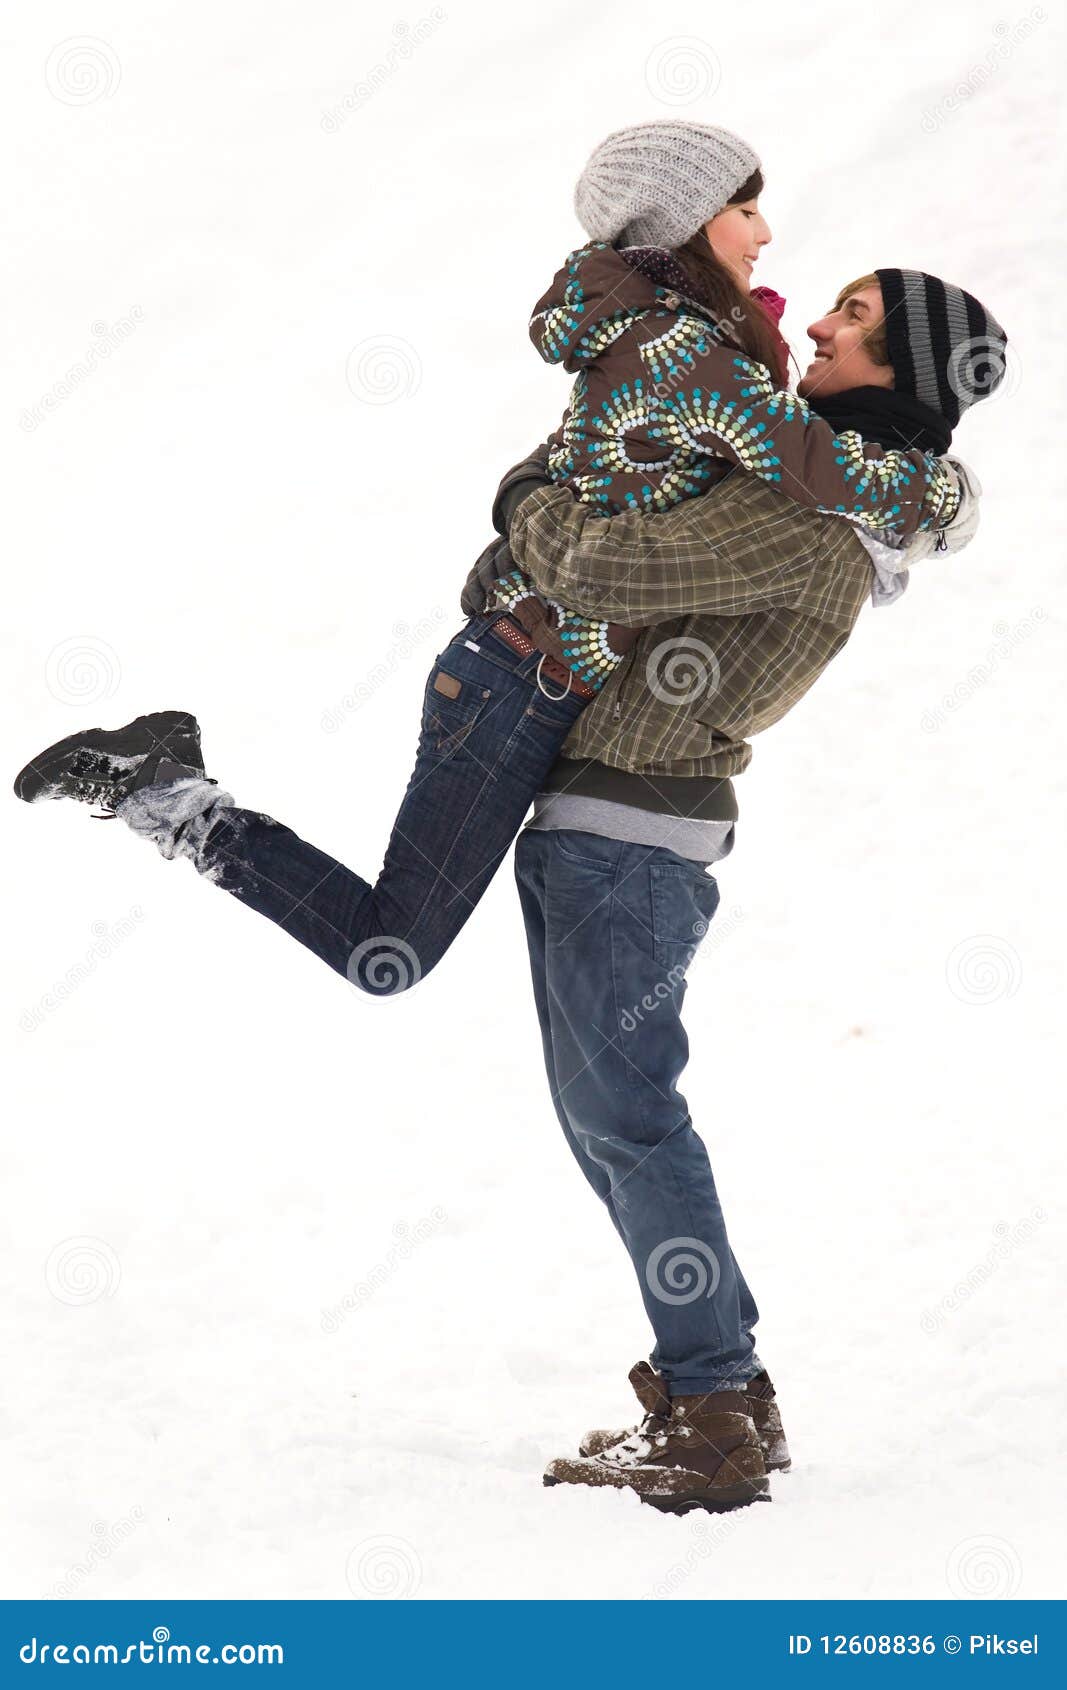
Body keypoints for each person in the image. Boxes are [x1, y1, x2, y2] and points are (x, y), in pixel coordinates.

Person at [13, 122, 969, 1009]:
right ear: (688, 221)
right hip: (521, 677)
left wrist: (523, 515)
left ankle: (163, 789)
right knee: (389, 949)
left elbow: (582, 471)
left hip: (523, 671)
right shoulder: (686, 349)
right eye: (745, 206)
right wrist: (936, 501)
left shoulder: (670, 335)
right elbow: (802, 463)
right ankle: (160, 794)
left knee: (392, 947)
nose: (764, 229)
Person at [465, 257, 1002, 1514]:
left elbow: (603, 572)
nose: (816, 317)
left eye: (854, 317)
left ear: (904, 370)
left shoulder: (800, 513)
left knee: (630, 1120)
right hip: (614, 823)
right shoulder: (805, 485)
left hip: (630, 830)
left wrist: (528, 491)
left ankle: (712, 1410)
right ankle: (725, 1391)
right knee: (611, 1122)